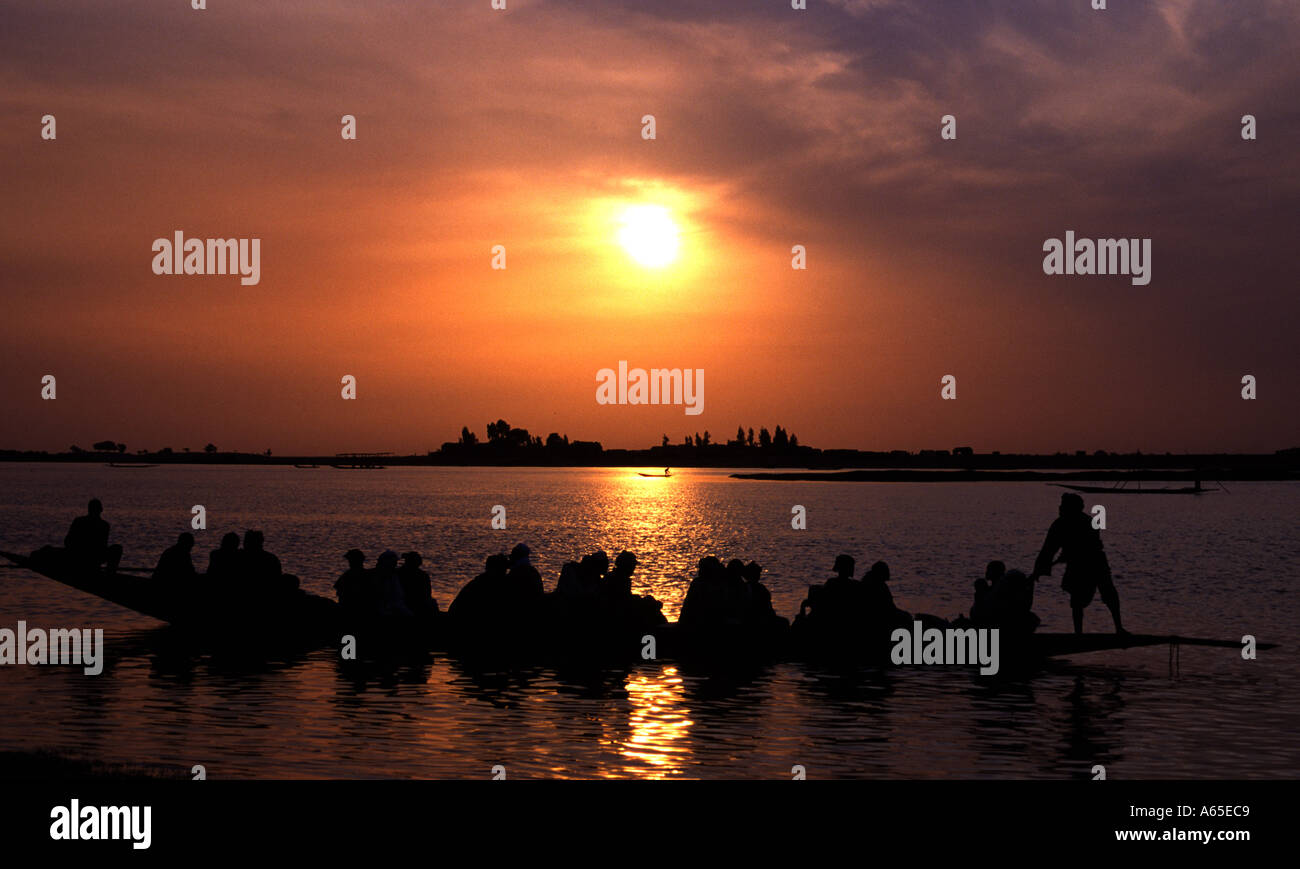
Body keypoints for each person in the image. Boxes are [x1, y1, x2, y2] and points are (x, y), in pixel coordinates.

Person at [1030, 493, 1126, 635]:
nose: (1060, 508)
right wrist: (1039, 568)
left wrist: (1067, 554)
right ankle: (1078, 633)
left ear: (1074, 508)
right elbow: (1048, 549)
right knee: (1076, 599)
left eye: (1063, 506)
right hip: (1077, 564)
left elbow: (1090, 545)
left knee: (1108, 593)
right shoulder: (1059, 524)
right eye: (1061, 505)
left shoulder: (1088, 522)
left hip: (1095, 562)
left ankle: (1118, 628)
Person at [64, 499, 122, 573]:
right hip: (89, 556)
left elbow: (67, 541)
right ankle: (110, 573)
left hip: (81, 555)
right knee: (117, 549)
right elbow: (103, 545)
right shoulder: (104, 525)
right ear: (101, 510)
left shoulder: (79, 521)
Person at [398, 551, 438, 620]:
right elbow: (427, 594)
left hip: (408, 602)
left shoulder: (397, 573)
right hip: (411, 603)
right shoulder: (423, 575)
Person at [334, 549, 373, 616]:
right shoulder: (368, 575)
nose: (349, 562)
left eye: (350, 560)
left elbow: (339, 591)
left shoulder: (347, 576)